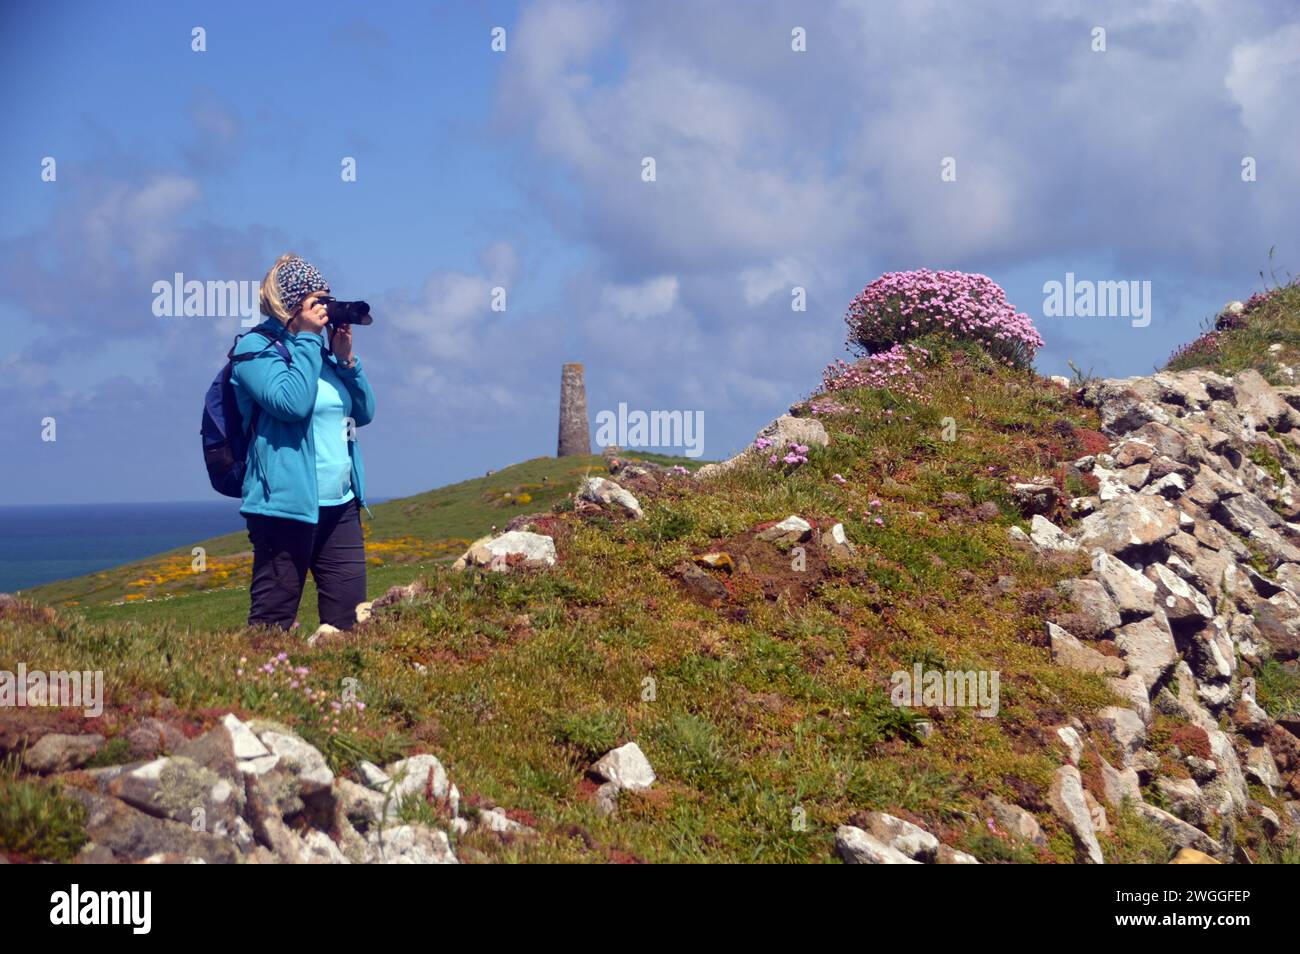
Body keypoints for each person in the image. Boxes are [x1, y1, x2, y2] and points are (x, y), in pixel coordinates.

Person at [231, 253, 376, 631]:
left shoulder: (322, 356)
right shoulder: (254, 350)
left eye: (327, 300)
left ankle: (343, 691)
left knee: (350, 625)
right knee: (272, 625)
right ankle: (261, 688)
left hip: (340, 506)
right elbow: (291, 404)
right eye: (317, 302)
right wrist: (309, 339)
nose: (325, 310)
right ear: (292, 307)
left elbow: (363, 413)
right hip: (284, 509)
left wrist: (347, 362)